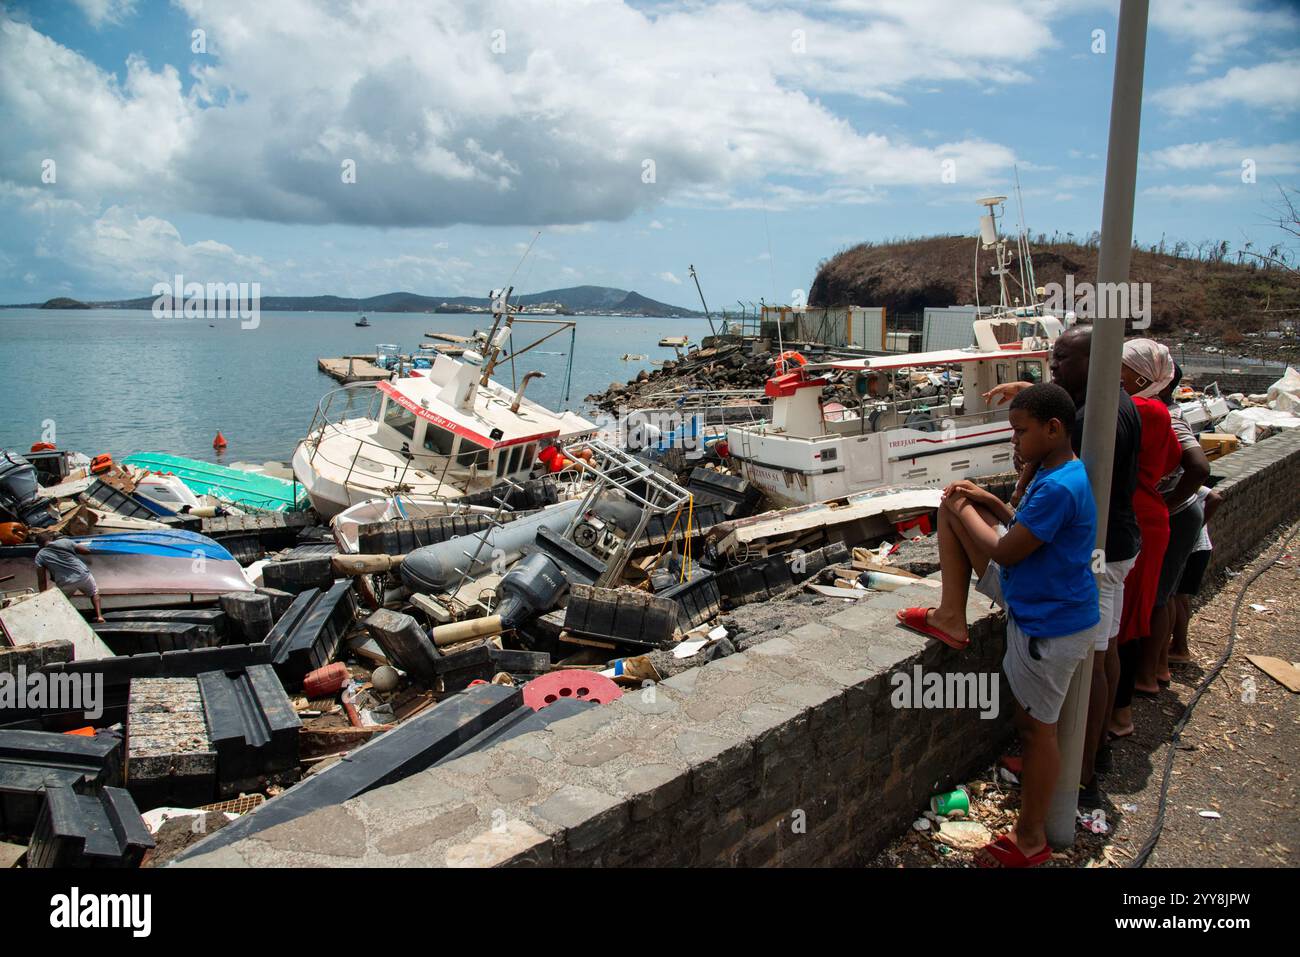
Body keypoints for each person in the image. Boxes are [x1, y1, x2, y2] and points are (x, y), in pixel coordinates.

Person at [897, 383, 1099, 867]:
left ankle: (1031, 839)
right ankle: (951, 616)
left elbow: (1007, 550)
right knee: (955, 506)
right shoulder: (1062, 471)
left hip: (1047, 623)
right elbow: (1027, 529)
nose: (1014, 442)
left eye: (1021, 432)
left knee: (1037, 731)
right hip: (1042, 596)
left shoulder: (1058, 486)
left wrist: (967, 506)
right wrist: (984, 497)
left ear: (1053, 429)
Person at [983, 324, 1142, 794]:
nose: (1054, 368)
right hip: (1110, 545)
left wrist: (1028, 465)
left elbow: (1061, 464)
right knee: (1104, 650)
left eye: (1063, 361)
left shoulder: (1100, 417)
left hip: (1098, 551)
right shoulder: (1113, 403)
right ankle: (1098, 744)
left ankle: (1081, 772)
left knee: (1092, 663)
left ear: (1100, 359)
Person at [1110, 341, 1181, 740]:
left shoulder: (1141, 410)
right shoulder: (1159, 412)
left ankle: (1119, 714)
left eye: (1117, 367)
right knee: (1133, 615)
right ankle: (1120, 710)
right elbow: (1172, 460)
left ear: (1139, 376)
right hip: (1149, 516)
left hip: (1135, 518)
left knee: (1124, 623)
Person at [1139, 361, 1211, 692]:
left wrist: (1166, 506)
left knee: (1157, 596)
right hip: (1181, 513)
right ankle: (1159, 667)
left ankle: (1149, 674)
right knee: (1165, 594)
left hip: (1175, 515)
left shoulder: (1165, 415)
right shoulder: (1162, 412)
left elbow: (1199, 467)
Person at [1170, 485, 1222, 663]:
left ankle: (1180, 648)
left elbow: (1216, 498)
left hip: (1193, 549)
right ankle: (1179, 644)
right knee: (1180, 597)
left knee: (1174, 597)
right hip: (1197, 548)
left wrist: (1197, 526)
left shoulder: (1186, 482)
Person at [33, 531, 104, 622]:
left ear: (39, 544)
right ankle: (99, 616)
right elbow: (86, 551)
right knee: (94, 593)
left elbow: (42, 580)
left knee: (61, 601)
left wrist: (43, 596)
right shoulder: (65, 542)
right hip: (82, 574)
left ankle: (65, 620)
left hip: (65, 581)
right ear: (51, 539)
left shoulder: (40, 556)